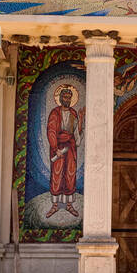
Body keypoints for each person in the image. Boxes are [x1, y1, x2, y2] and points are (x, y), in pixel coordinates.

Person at [46, 85, 84, 218]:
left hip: (70, 148)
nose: (67, 99)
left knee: (70, 173)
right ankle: (55, 206)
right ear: (60, 98)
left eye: (69, 97)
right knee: (57, 173)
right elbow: (51, 131)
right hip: (58, 148)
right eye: (64, 97)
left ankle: (69, 205)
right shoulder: (55, 113)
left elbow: (76, 134)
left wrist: (80, 121)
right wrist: (55, 149)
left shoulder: (73, 113)